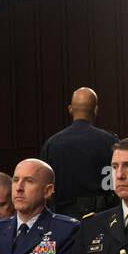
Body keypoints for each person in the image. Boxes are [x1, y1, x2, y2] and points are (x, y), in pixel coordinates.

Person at [40, 87, 118, 218]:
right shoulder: (110, 141)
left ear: (70, 109)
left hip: (62, 218)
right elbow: (116, 182)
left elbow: (43, 186)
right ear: (96, 110)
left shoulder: (51, 144)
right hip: (102, 216)